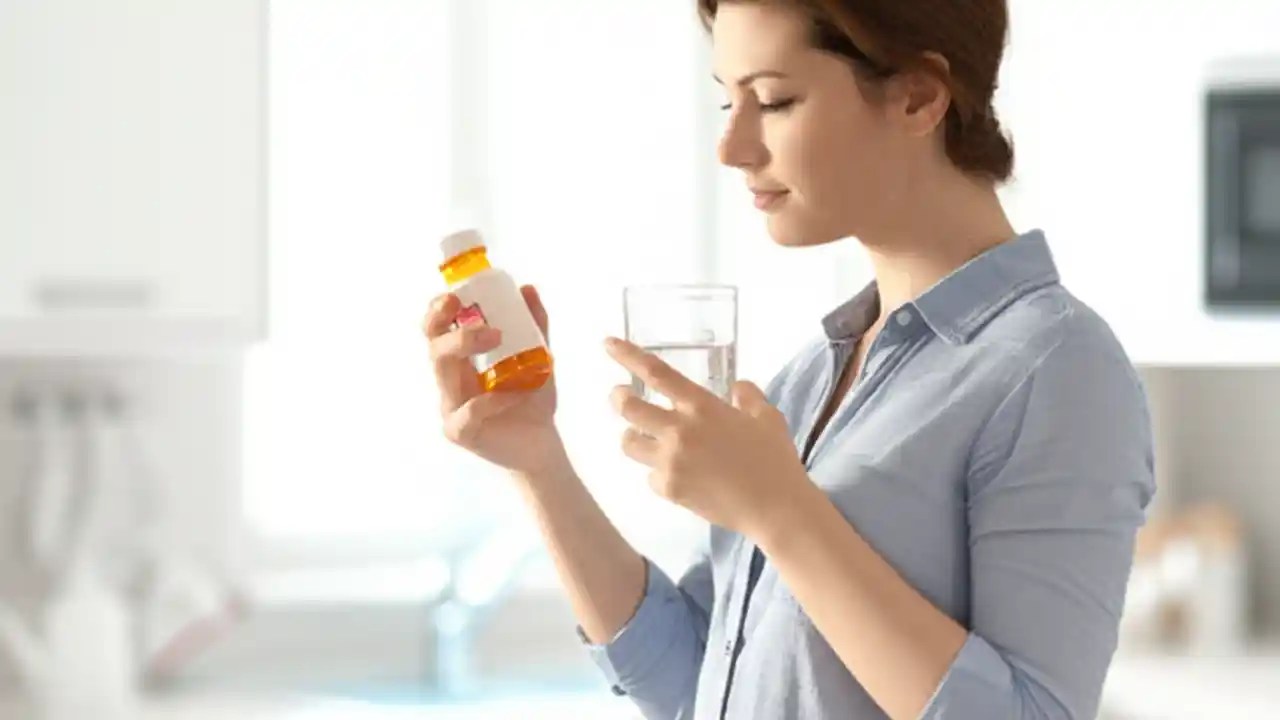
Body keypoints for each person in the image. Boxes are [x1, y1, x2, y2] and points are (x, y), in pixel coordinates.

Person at [421, 0, 1155, 718]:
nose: (731, 147)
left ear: (918, 96)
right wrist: (537, 461)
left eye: (773, 100)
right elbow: (695, 679)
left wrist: (781, 511)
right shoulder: (814, 375)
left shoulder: (1057, 368)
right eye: (726, 104)